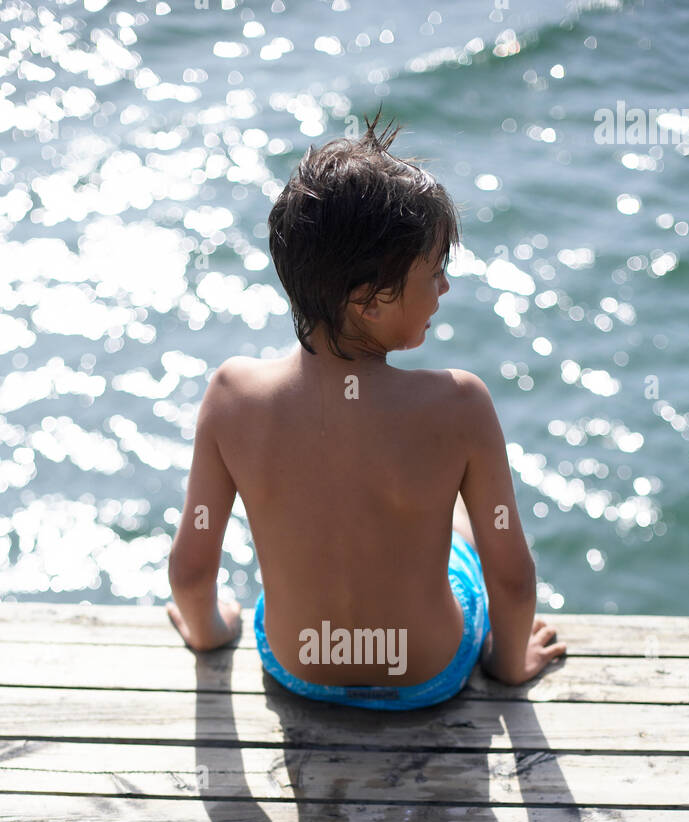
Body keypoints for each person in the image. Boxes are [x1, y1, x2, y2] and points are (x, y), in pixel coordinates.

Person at [167, 113, 567, 708]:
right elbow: (511, 575)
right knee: (462, 524)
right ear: (369, 301)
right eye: (434, 274)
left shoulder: (231, 396)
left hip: (298, 667)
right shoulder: (460, 405)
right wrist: (509, 667)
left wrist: (209, 633)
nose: (445, 290)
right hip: (429, 673)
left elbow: (192, 569)